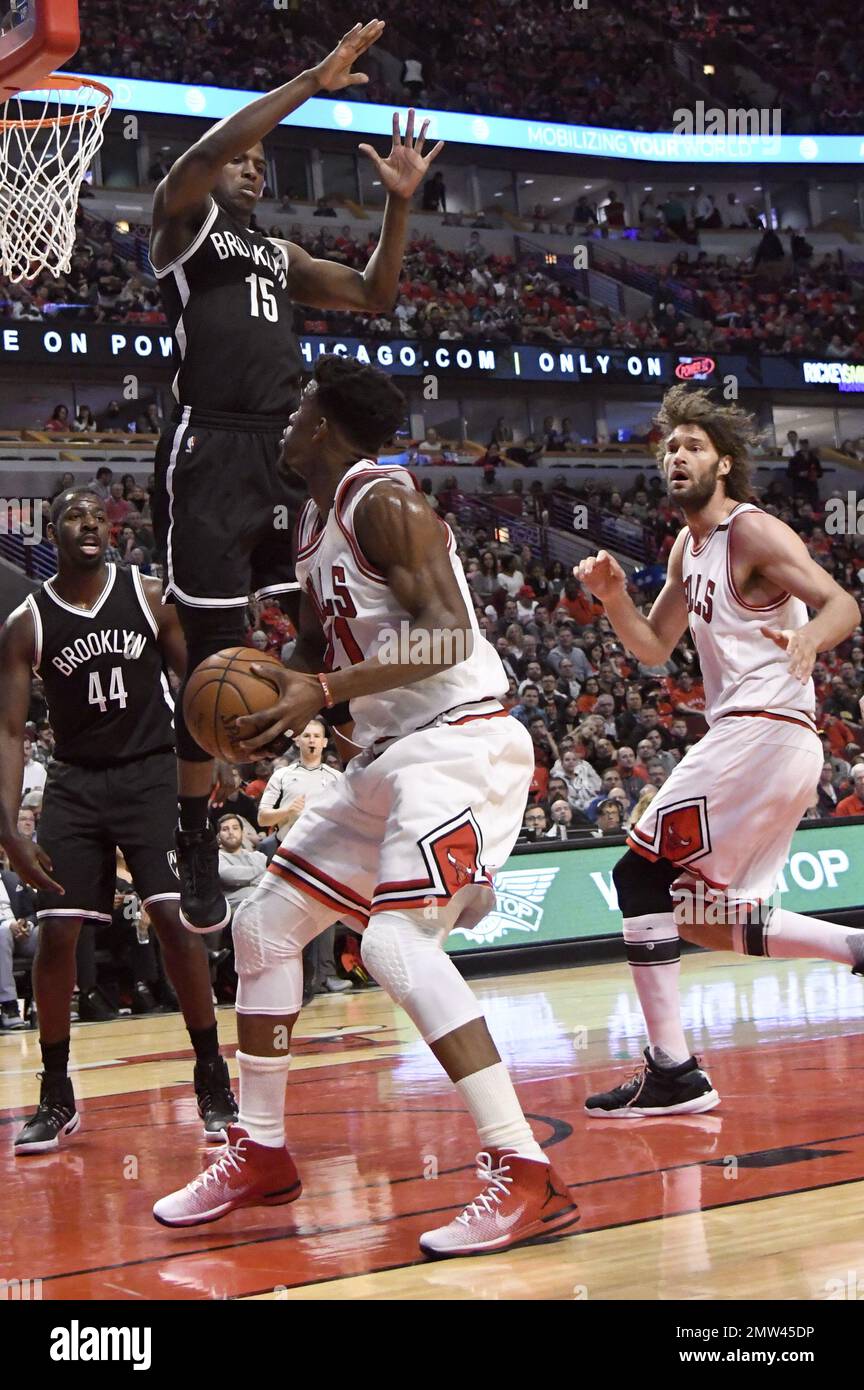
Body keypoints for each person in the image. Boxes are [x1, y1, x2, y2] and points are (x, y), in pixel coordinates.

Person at [153, 355, 576, 1256]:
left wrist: (321, 690)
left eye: (298, 412)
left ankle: (526, 1171)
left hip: (459, 740)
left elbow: (447, 632)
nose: (285, 426)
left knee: (389, 942)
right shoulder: (312, 519)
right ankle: (262, 1152)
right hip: (385, 755)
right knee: (263, 927)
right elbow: (315, 649)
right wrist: (277, 704)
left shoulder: (383, 500)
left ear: (329, 428)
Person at [148, 22, 443, 933]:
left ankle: (362, 791)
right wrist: (313, 79)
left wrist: (397, 208)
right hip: (208, 452)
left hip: (283, 451)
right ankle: (197, 831)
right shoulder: (183, 228)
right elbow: (203, 154)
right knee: (206, 654)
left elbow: (373, 296)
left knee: (326, 620)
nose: (255, 168)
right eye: (248, 158)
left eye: (264, 163)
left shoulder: (275, 254)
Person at [576, 384, 860, 1118]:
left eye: (692, 446)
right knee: (687, 908)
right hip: (756, 737)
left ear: (724, 464)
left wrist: (807, 637)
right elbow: (654, 649)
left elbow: (843, 605)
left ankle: (674, 1072)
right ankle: (856, 949)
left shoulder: (750, 532)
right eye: (669, 447)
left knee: (635, 874)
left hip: (764, 728)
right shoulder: (686, 546)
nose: (676, 456)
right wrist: (613, 600)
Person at [0, 488, 237, 1153]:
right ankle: (55, 1091)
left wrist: (211, 752)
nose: (91, 526)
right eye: (76, 517)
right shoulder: (28, 622)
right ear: (51, 532)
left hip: (151, 770)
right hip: (75, 784)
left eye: (100, 519)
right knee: (55, 938)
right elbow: (9, 731)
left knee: (171, 920)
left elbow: (197, 678)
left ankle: (212, 1077)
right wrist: (10, 827)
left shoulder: (147, 593)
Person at [256, 718, 349, 998]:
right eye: (306, 735)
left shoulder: (336, 778)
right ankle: (294, 977)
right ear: (297, 740)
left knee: (326, 915)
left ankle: (326, 975)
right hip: (288, 852)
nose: (310, 740)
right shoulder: (282, 776)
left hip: (324, 852)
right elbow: (262, 817)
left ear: (323, 742)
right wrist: (286, 811)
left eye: (316, 736)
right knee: (290, 915)